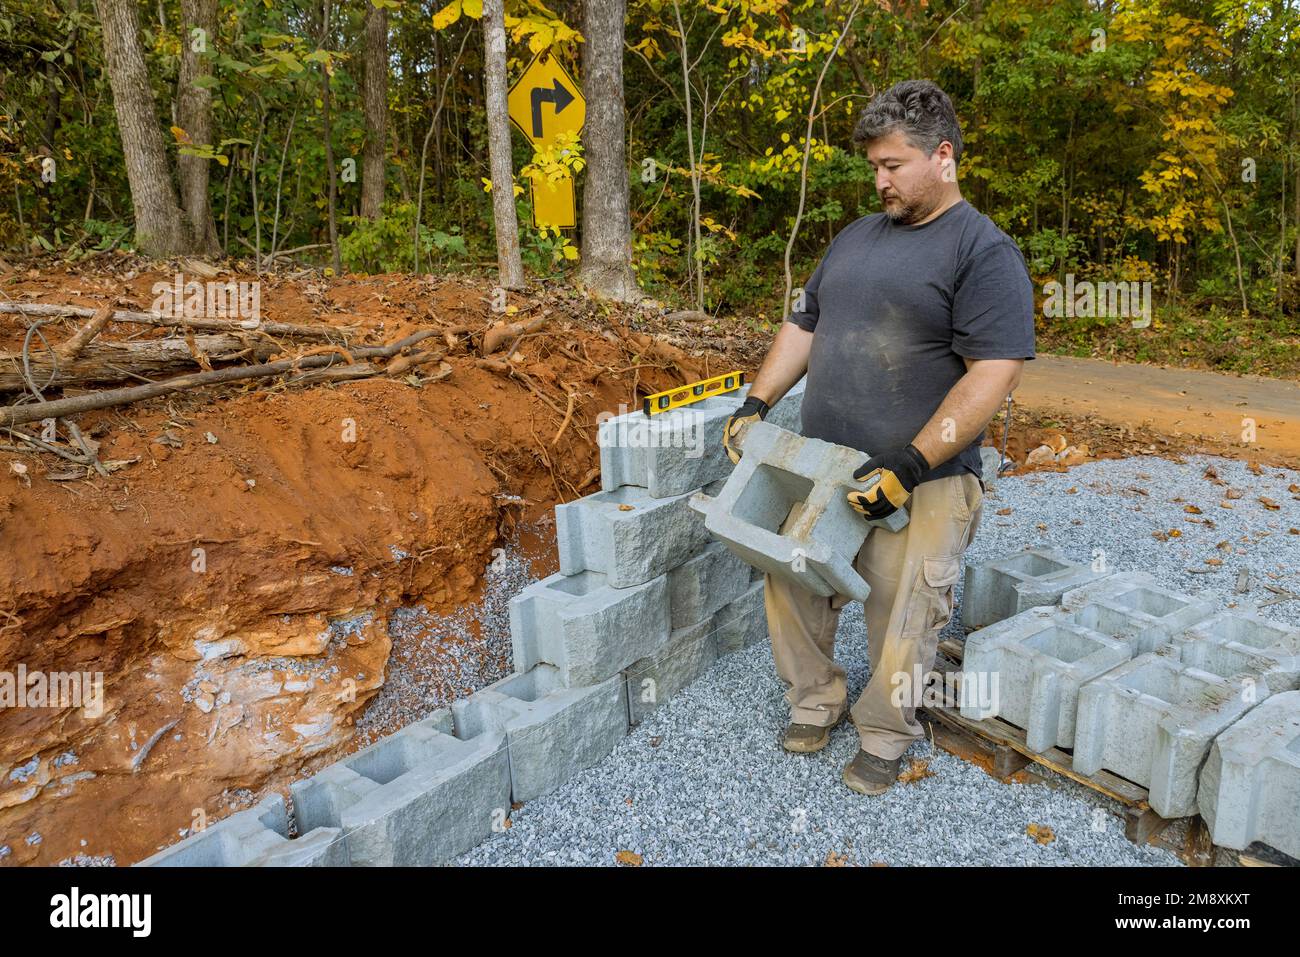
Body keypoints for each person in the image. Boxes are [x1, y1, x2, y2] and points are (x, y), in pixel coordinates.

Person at [723, 79, 1036, 795]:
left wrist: (913, 460)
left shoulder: (982, 252)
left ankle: (886, 730)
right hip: (823, 466)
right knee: (792, 579)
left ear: (944, 155)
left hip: (923, 477)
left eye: (893, 165)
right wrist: (757, 401)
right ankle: (814, 698)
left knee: (904, 611)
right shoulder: (854, 239)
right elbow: (804, 323)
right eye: (874, 166)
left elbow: (994, 372)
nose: (880, 180)